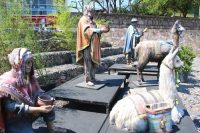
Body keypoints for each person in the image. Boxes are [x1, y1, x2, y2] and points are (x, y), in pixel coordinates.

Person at [0, 48, 66, 133]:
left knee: (48, 102)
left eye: (31, 62)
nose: (30, 65)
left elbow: (37, 93)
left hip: (30, 111)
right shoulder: (6, 81)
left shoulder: (29, 77)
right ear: (17, 63)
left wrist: (47, 100)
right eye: (27, 62)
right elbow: (10, 107)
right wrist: (37, 109)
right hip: (15, 120)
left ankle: (51, 128)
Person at [76, 5, 109, 86]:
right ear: (86, 11)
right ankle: (88, 79)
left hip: (94, 45)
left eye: (92, 11)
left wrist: (103, 30)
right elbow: (87, 31)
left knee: (93, 62)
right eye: (90, 11)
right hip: (87, 45)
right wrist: (99, 30)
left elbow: (97, 30)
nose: (91, 12)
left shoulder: (93, 21)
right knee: (88, 62)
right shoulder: (83, 20)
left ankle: (93, 77)